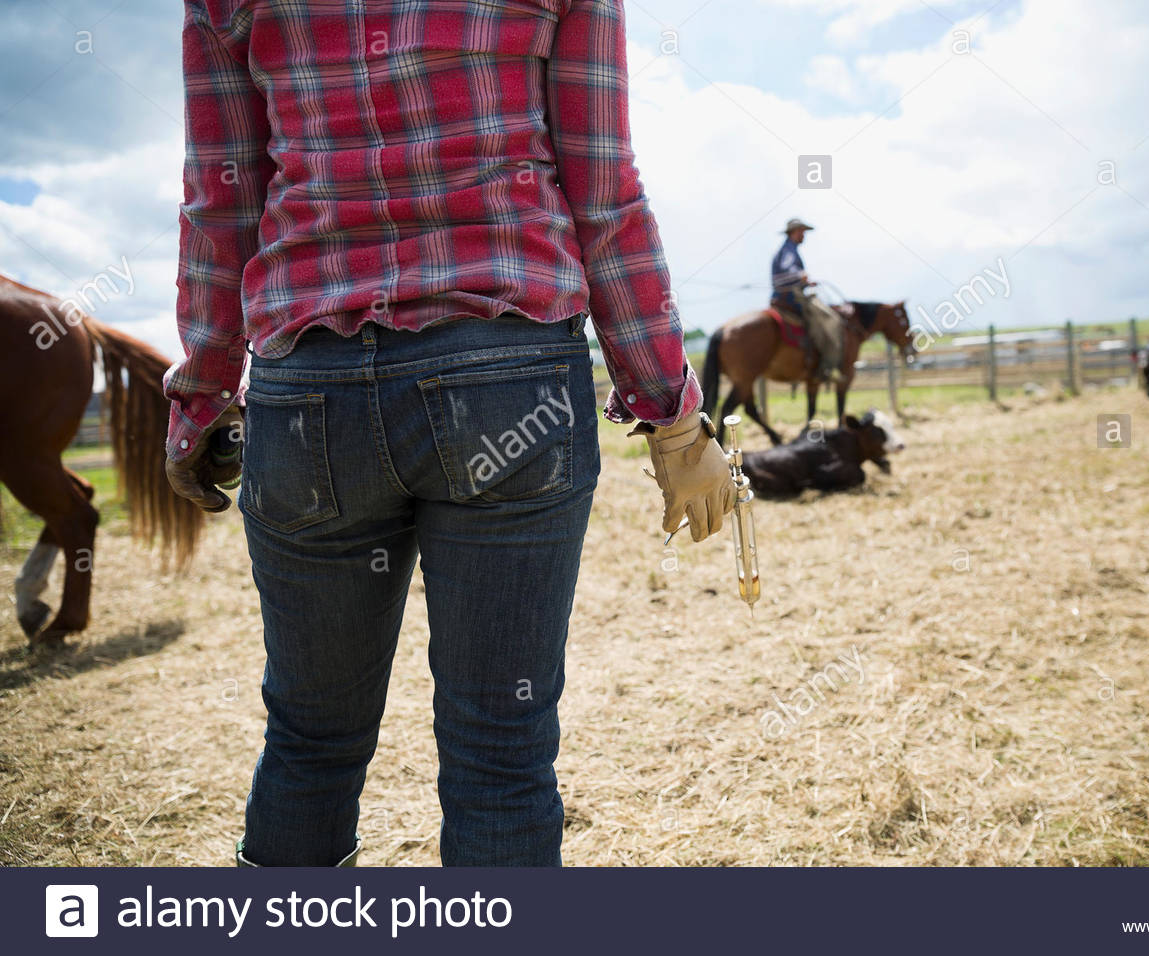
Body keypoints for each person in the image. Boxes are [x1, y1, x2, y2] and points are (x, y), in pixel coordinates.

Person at [161, 0, 735, 867]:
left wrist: (204, 390)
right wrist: (671, 412)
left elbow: (222, 197)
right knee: (501, 754)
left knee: (310, 741)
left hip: (308, 391)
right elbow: (604, 188)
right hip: (510, 380)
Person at [770, 217, 843, 383]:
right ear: (794, 233)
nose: (804, 235)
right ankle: (826, 365)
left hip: (784, 295)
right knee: (827, 319)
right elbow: (789, 269)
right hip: (791, 297)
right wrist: (801, 276)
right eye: (802, 232)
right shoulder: (789, 250)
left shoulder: (788, 249)